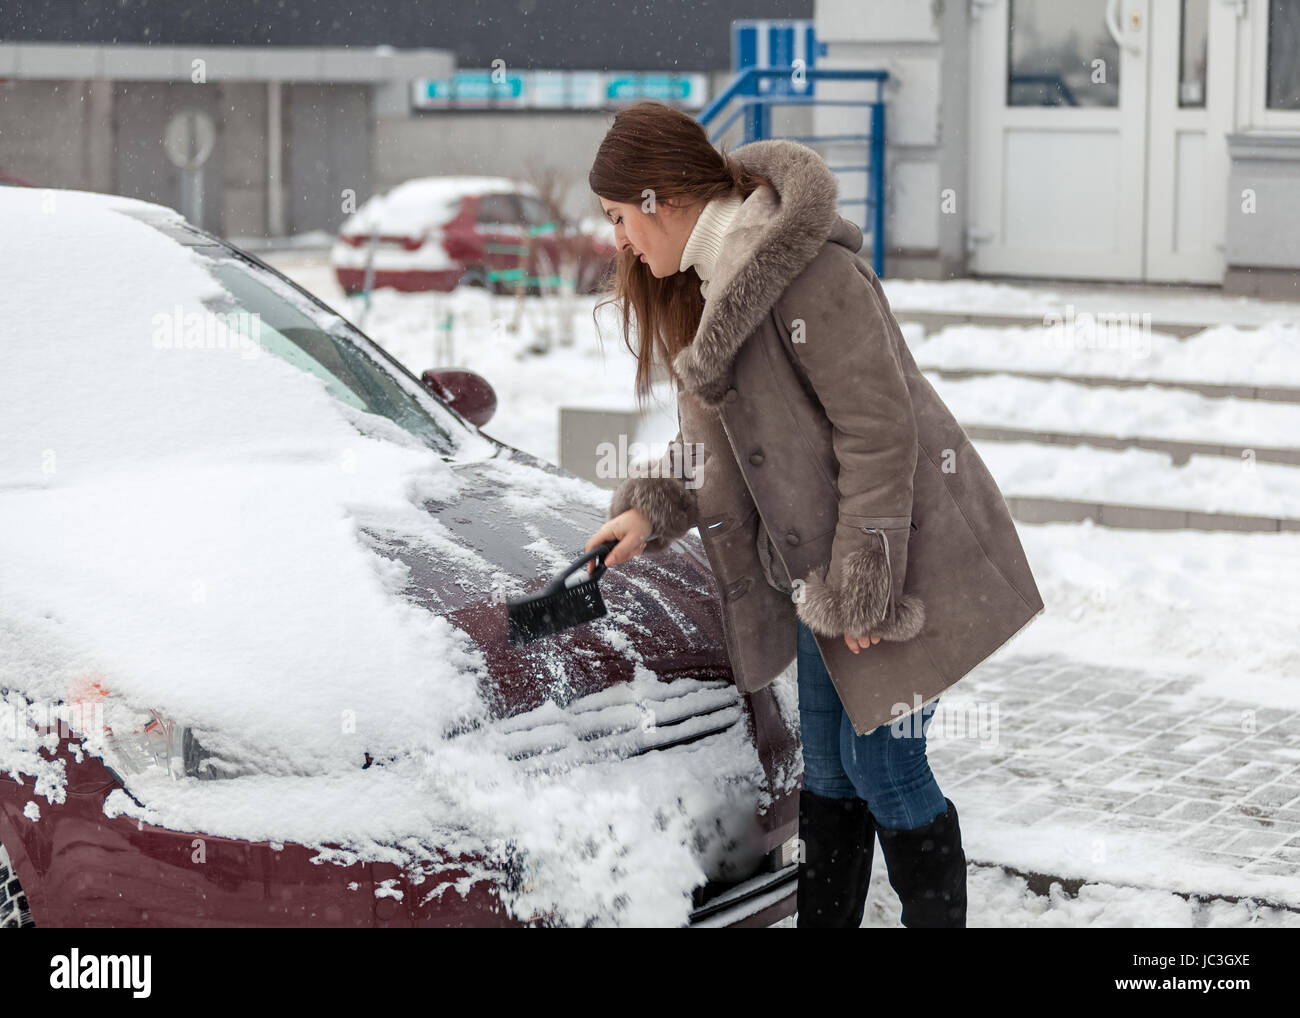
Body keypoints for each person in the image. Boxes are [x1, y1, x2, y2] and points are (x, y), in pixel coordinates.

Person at [582, 102, 1044, 927]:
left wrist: (867, 579)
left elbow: (880, 430)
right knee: (828, 775)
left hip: (895, 560)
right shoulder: (709, 289)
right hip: (810, 574)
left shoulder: (808, 274)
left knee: (883, 769)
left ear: (661, 199)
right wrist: (652, 510)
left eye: (620, 215)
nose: (618, 238)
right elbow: (719, 453)